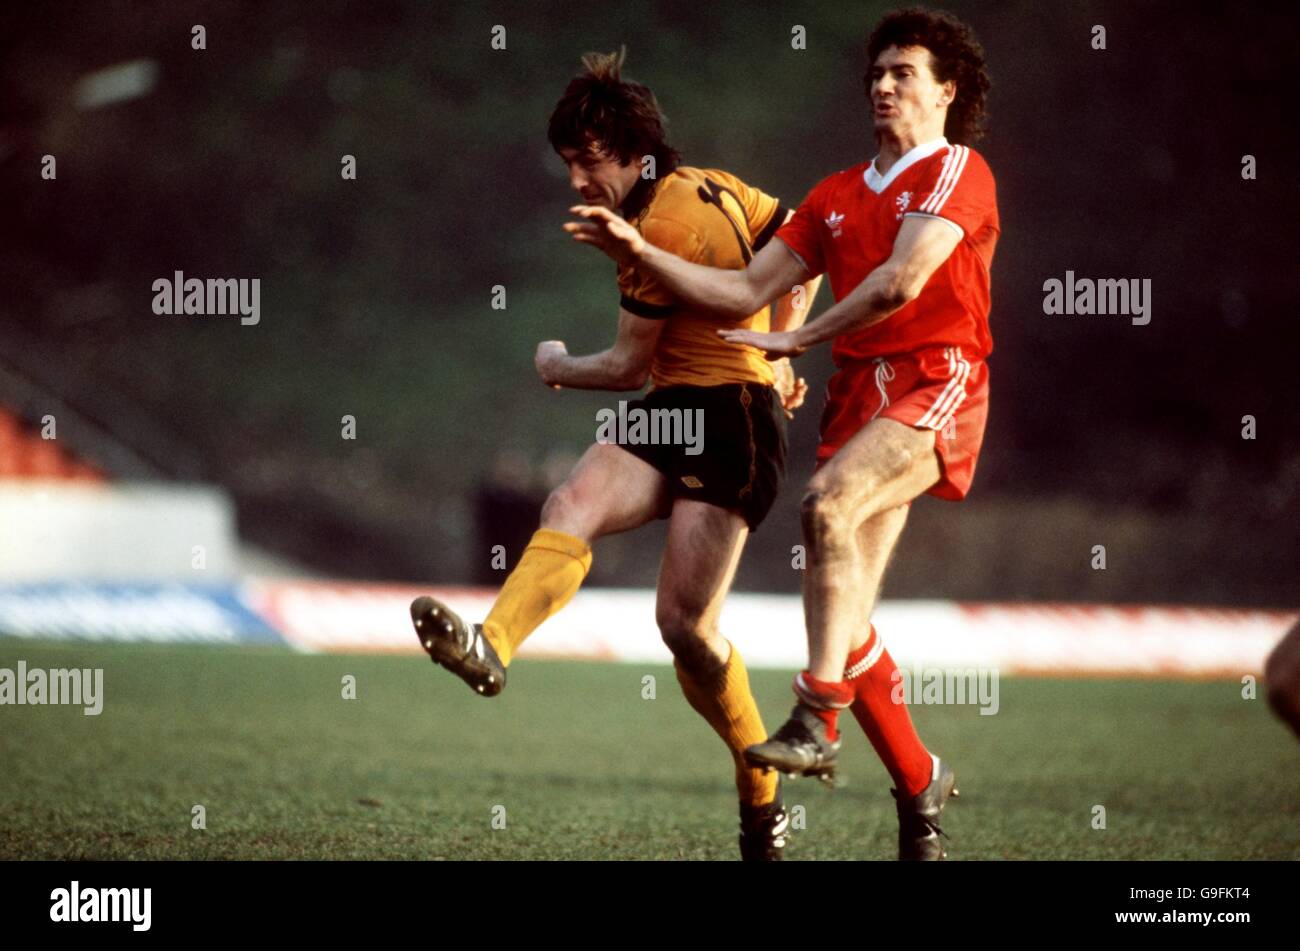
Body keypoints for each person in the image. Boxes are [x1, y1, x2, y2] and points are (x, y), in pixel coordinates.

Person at [564, 9, 998, 860]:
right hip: (856, 401)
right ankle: (920, 782)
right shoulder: (834, 196)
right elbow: (738, 292)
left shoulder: (958, 171)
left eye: (903, 72)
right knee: (851, 620)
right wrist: (636, 248)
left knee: (826, 505)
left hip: (936, 379)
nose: (882, 84)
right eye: (875, 72)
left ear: (947, 91)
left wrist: (799, 337)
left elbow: (901, 282)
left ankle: (814, 716)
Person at [411, 48, 820, 860]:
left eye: (588, 163)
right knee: (569, 504)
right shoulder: (713, 184)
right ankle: (492, 646)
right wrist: (783, 348)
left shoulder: (660, 225)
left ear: (638, 156)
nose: (576, 181)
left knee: (687, 631)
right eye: (569, 163)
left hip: (733, 421)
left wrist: (557, 365)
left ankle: (761, 800)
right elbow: (795, 239)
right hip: (677, 408)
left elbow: (627, 364)